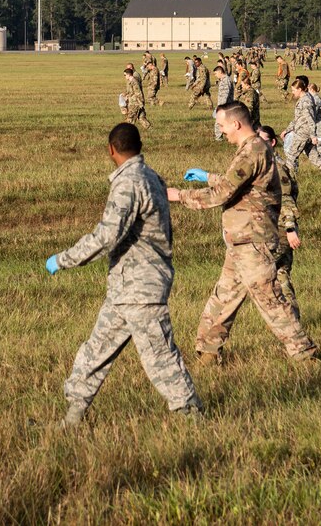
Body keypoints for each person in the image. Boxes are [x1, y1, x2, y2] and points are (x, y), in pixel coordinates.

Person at [45, 123, 203, 427]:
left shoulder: (130, 181)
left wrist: (64, 259)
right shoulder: (152, 177)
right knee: (94, 352)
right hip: (125, 287)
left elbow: (108, 235)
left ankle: (192, 416)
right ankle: (71, 419)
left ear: (111, 150)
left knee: (160, 355)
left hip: (140, 286)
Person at [168, 103, 315, 363]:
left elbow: (223, 192)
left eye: (222, 126)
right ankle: (208, 353)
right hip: (240, 240)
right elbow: (234, 185)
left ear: (236, 124)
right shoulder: (251, 149)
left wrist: (178, 196)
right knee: (224, 298)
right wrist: (208, 177)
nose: (221, 131)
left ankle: (305, 356)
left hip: (253, 240)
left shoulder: (253, 150)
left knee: (271, 301)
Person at [257, 125, 318, 359]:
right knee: (281, 278)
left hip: (280, 231)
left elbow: (287, 200)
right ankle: (294, 325)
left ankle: (288, 329)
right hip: (275, 229)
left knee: (258, 277)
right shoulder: (267, 165)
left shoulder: (276, 168)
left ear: (272, 143)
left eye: (262, 140)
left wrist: (291, 229)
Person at [282, 77, 321, 177]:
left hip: (303, 133)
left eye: (293, 90)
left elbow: (310, 119)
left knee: (291, 156)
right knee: (314, 156)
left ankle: (287, 179)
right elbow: (298, 119)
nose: (292, 93)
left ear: (300, 89)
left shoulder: (305, 101)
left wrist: (313, 136)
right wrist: (287, 130)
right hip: (306, 133)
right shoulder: (306, 99)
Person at [212, 65, 234, 140]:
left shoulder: (225, 80)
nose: (215, 75)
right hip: (226, 105)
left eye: (216, 74)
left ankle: (218, 137)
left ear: (220, 72)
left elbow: (225, 95)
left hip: (225, 105)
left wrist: (220, 107)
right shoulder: (224, 80)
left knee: (219, 121)